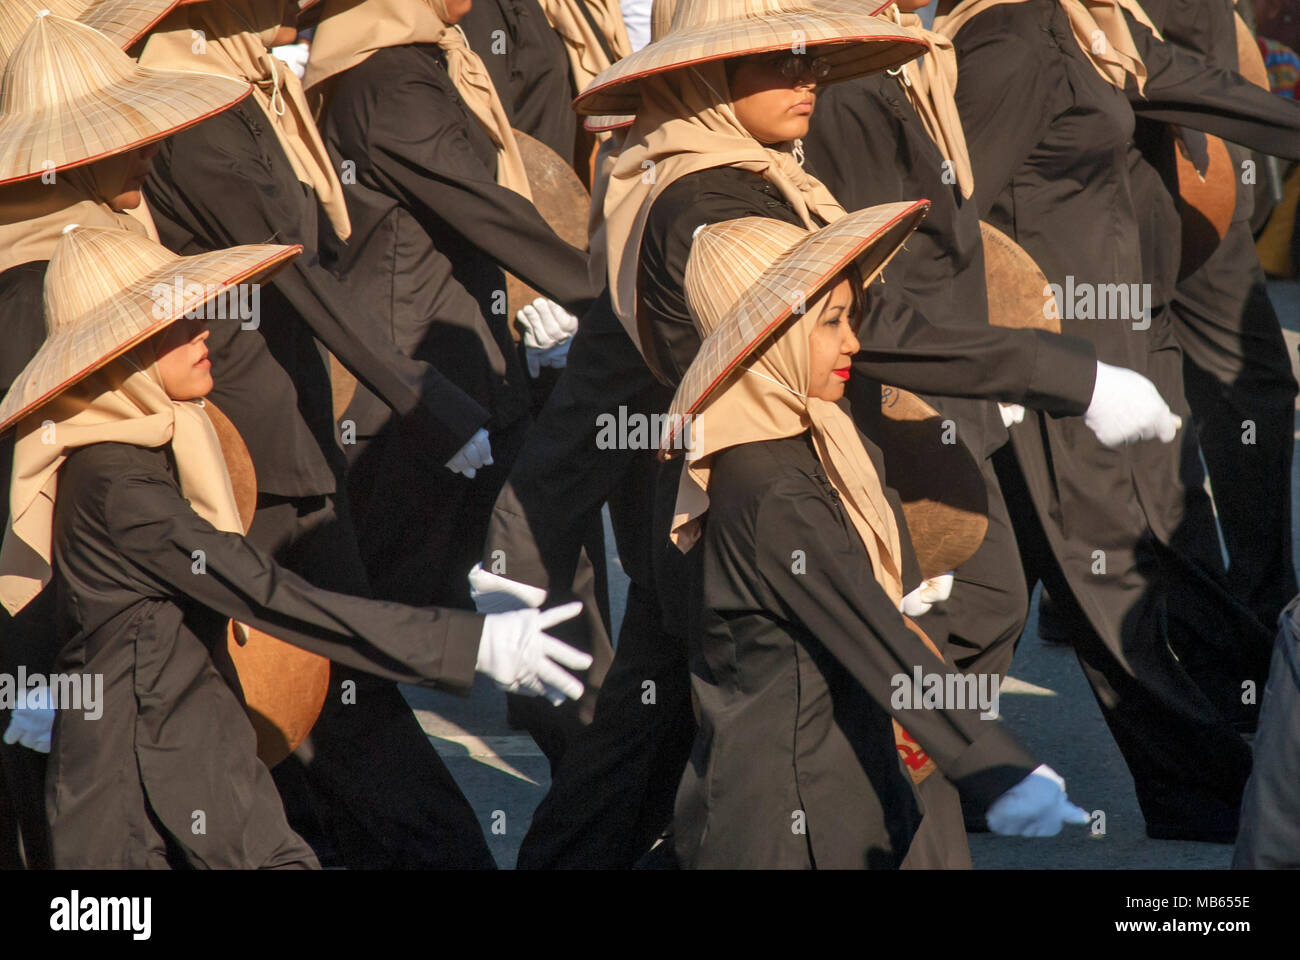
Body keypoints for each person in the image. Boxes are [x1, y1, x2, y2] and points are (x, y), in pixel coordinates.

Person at [509, 0, 1181, 868]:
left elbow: (593, 387)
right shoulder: (712, 203)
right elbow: (872, 325)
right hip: (765, 506)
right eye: (778, 62)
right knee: (810, 756)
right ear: (711, 76)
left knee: (644, 760)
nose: (808, 79)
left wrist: (515, 561)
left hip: (695, 518)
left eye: (810, 59)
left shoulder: (685, 171)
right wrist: (1069, 375)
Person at [0, 224, 591, 867]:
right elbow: (272, 595)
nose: (205, 330)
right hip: (135, 811)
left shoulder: (142, 449)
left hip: (202, 776)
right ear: (124, 350)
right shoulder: (118, 485)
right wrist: (472, 644)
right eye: (175, 319)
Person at [137, 0, 509, 868]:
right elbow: (292, 272)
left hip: (285, 418)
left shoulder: (244, 89)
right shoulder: (193, 113)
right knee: (338, 697)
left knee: (304, 711)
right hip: (253, 445)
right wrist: (427, 399)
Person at [934, 0, 1300, 841]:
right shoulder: (1010, 40)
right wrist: (977, 367)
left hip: (1120, 338)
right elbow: (950, 218)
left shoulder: (1090, 23)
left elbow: (1205, 89)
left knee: (991, 600)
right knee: (1110, 572)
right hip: (1048, 359)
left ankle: (935, 771)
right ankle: (1214, 796)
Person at [664, 207, 1090, 867]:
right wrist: (998, 766)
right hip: (791, 822)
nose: (853, 343)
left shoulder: (778, 439)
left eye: (850, 317)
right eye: (830, 321)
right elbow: (882, 644)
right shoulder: (774, 486)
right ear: (773, 335)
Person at [0, 8, 252, 870]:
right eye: (127, 140)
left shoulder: (94, 243)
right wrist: (34, 668)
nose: (150, 155)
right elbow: (35, 483)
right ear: (71, 155)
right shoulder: (39, 286)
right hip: (53, 614)